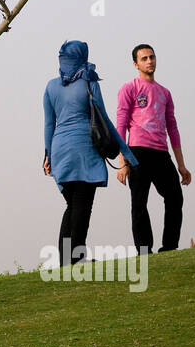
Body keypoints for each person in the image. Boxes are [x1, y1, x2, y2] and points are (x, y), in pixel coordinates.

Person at [43, 40, 138, 266]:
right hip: (84, 149)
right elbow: (103, 118)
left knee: (71, 205)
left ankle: (67, 259)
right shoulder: (88, 80)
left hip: (59, 151)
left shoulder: (50, 86)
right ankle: (75, 258)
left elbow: (49, 124)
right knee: (83, 206)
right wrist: (127, 153)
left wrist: (47, 156)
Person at [115, 44, 190, 253]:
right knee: (139, 203)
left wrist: (181, 165)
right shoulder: (129, 88)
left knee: (175, 197)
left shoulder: (165, 93)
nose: (149, 61)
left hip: (161, 152)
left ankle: (170, 246)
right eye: (144, 58)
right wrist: (123, 163)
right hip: (137, 151)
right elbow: (120, 126)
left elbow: (173, 129)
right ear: (136, 64)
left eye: (152, 57)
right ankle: (144, 250)